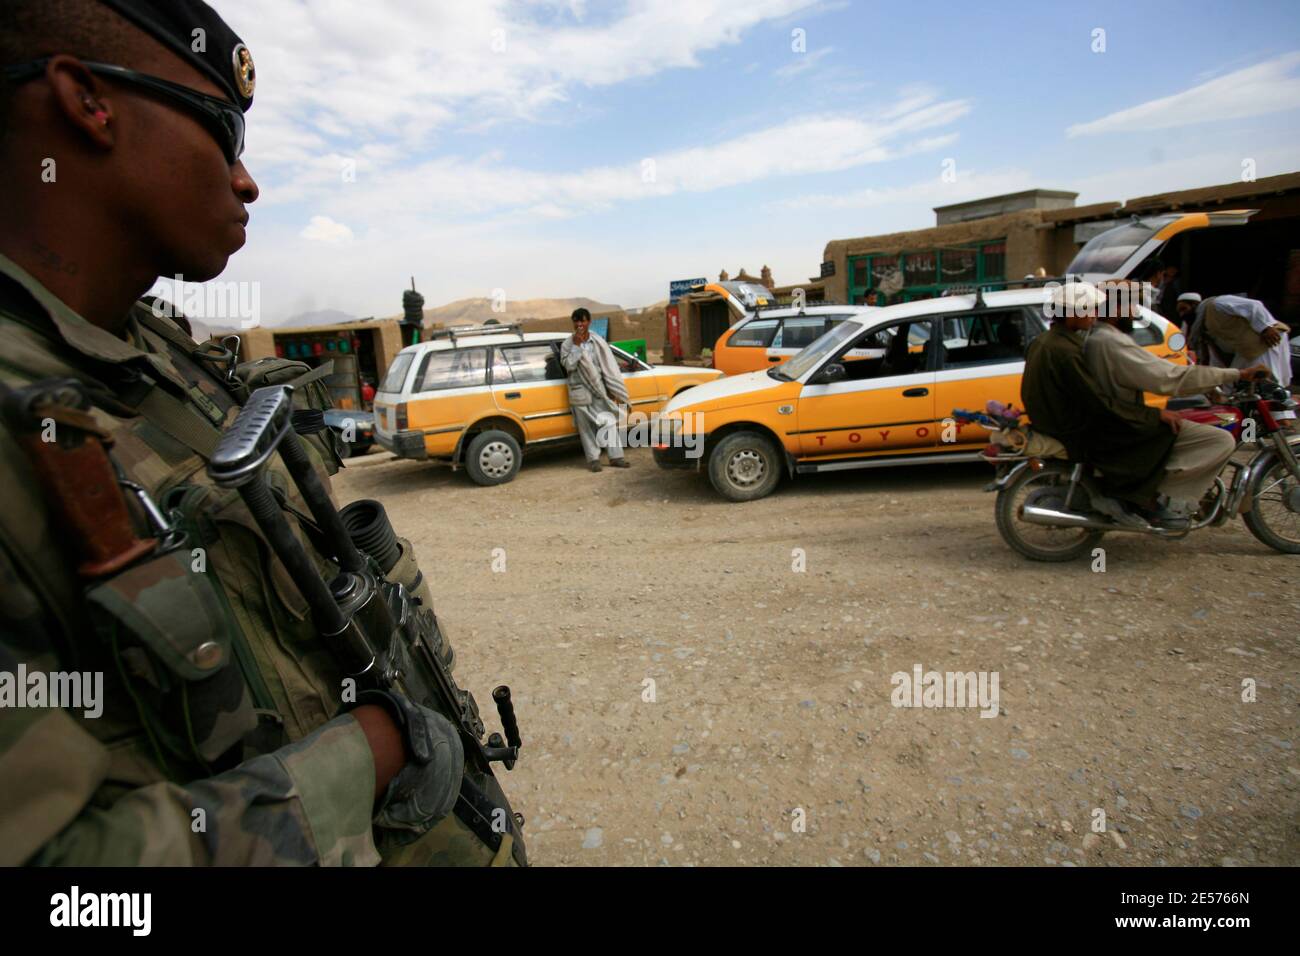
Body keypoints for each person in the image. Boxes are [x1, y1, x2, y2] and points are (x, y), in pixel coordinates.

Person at [0, 0, 486, 866]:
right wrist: (363, 760)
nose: (246, 180)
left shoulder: (159, 354)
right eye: (222, 132)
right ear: (87, 101)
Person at [1084, 281, 1269, 526]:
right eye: (1131, 305)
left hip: (1120, 416)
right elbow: (1168, 377)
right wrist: (1237, 375)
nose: (1134, 312)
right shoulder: (1110, 342)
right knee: (1219, 439)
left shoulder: (1101, 337)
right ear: (1117, 309)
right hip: (1127, 423)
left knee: (1186, 420)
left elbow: (1160, 371)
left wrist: (1209, 385)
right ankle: (1156, 497)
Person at [1020, 282, 1186, 527]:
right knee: (1153, 434)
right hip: (1070, 428)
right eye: (1088, 310)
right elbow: (1096, 401)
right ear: (1072, 314)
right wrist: (1152, 415)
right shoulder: (1066, 350)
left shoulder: (1046, 340)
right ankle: (1134, 500)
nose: (1094, 316)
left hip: (1052, 419)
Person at [561, 307, 629, 471]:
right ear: (573, 323)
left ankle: (616, 457)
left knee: (609, 422)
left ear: (589, 322)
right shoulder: (567, 344)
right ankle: (593, 461)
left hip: (599, 389)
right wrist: (576, 347)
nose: (579, 324)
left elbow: (607, 366)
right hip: (580, 391)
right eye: (576, 321)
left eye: (582, 320)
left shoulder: (598, 341)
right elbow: (568, 365)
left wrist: (611, 388)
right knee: (586, 429)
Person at [1183, 292, 1293, 390]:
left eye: (1183, 308)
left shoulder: (1217, 303)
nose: (1181, 314)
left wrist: (1265, 327)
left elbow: (1254, 306)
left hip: (1264, 342)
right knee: (1231, 383)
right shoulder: (1203, 325)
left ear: (1194, 305)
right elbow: (1216, 355)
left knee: (1268, 388)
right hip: (1248, 349)